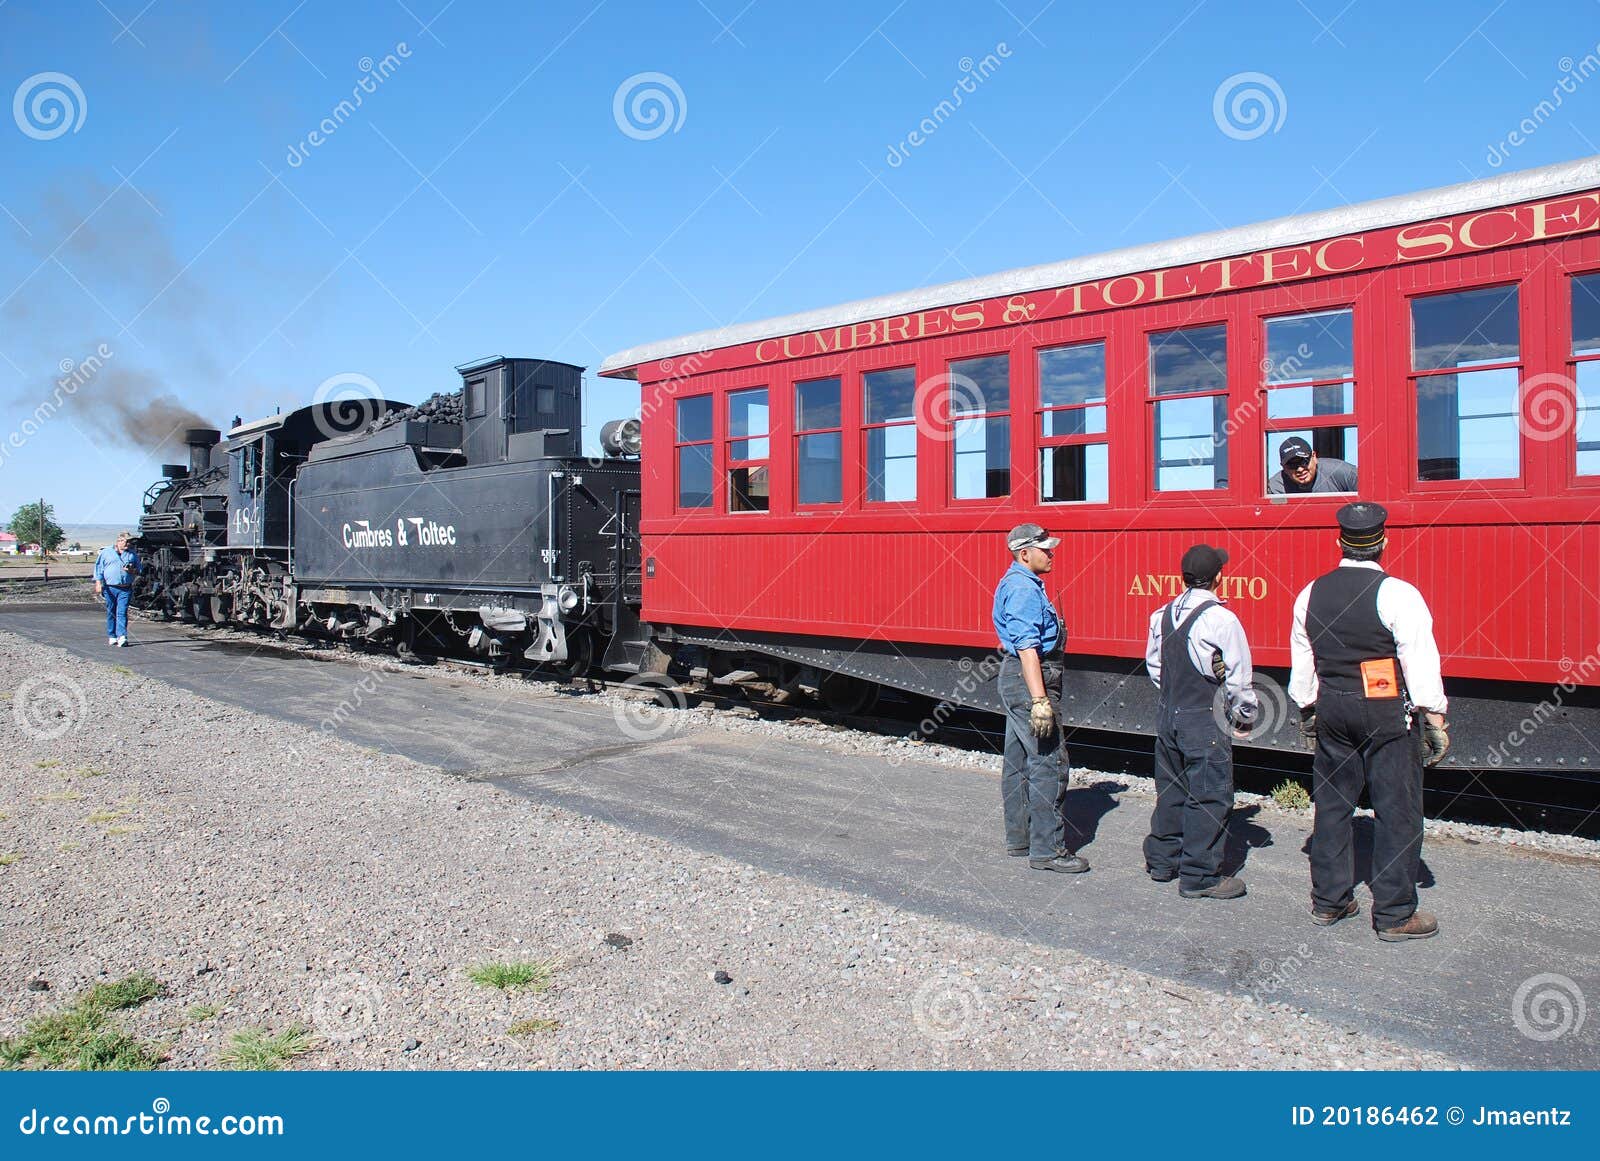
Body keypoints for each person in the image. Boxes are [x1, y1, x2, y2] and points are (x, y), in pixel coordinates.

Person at [1289, 502, 1450, 942]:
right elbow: (1419, 660)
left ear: (1339, 542)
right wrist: (1433, 716)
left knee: (1333, 805)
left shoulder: (1310, 592)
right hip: (1384, 710)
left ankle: (1330, 902)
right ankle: (1395, 913)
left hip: (1333, 707)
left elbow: (1303, 661)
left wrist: (1307, 708)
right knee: (1396, 808)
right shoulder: (1400, 593)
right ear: (1382, 542)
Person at [1143, 544, 1258, 899]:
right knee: (1210, 794)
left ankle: (1163, 861)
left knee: (1172, 789)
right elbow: (1239, 678)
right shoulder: (1222, 619)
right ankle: (1199, 875)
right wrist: (1244, 714)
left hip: (1168, 713)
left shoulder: (1160, 614)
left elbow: (1154, 666)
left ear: (1184, 578)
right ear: (1219, 577)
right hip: (1203, 717)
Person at [992, 523, 1088, 874]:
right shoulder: (1023, 590)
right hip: (1030, 678)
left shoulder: (1021, 583)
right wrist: (1040, 700)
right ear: (1024, 553)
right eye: (1045, 548)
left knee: (1017, 760)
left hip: (1017, 676)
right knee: (1049, 761)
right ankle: (1048, 850)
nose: (1052, 552)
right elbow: (1028, 648)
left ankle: (1020, 839)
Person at [93, 531, 141, 647]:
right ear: (119, 541)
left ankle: (122, 636)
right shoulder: (106, 553)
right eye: (127, 541)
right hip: (109, 588)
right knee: (111, 612)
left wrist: (132, 571)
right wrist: (98, 583)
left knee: (122, 612)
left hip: (125, 588)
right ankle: (112, 635)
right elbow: (99, 569)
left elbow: (139, 570)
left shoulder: (132, 554)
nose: (129, 544)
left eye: (129, 542)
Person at [1267, 435, 1358, 494]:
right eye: (1292, 465)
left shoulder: (1342, 472)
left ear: (1314, 457)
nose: (1300, 469)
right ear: (1283, 467)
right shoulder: (1275, 488)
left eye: (1304, 462)